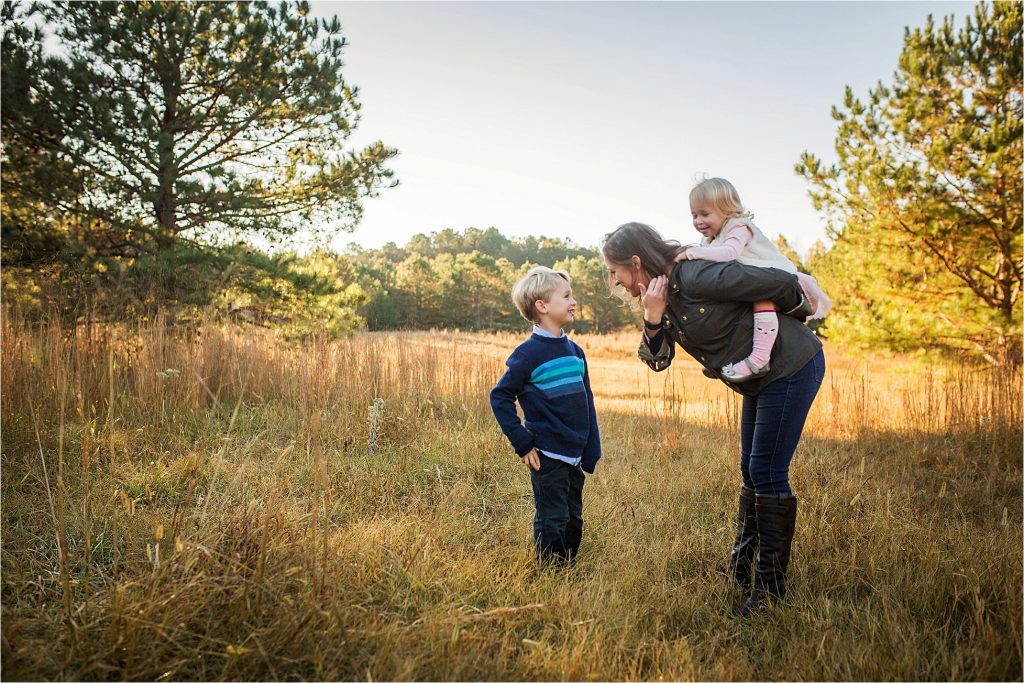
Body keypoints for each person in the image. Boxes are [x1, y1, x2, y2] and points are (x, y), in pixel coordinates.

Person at [601, 222, 825, 617]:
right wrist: (653, 318)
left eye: (615, 272)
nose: (614, 282)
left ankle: (769, 594)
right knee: (750, 470)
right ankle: (741, 571)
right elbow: (657, 360)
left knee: (767, 471)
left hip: (791, 365)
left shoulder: (695, 274)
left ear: (635, 262)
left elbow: (778, 282)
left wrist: (792, 316)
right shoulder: (659, 295)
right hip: (759, 380)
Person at [489, 266, 601, 567]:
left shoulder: (575, 352)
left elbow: (587, 402)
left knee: (573, 518)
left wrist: (592, 447)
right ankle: (549, 573)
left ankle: (568, 567)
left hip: (574, 454)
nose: (573, 301)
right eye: (566, 296)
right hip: (546, 454)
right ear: (542, 306)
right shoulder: (528, 354)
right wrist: (523, 443)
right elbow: (499, 396)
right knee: (553, 518)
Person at [681, 177, 831, 382]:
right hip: (754, 282)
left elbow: (730, 253)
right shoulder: (710, 240)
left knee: (762, 300)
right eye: (694, 214)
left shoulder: (738, 227)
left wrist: (691, 253)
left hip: (778, 280)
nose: (698, 221)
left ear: (727, 210)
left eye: (705, 214)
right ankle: (727, 358)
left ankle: (759, 360)